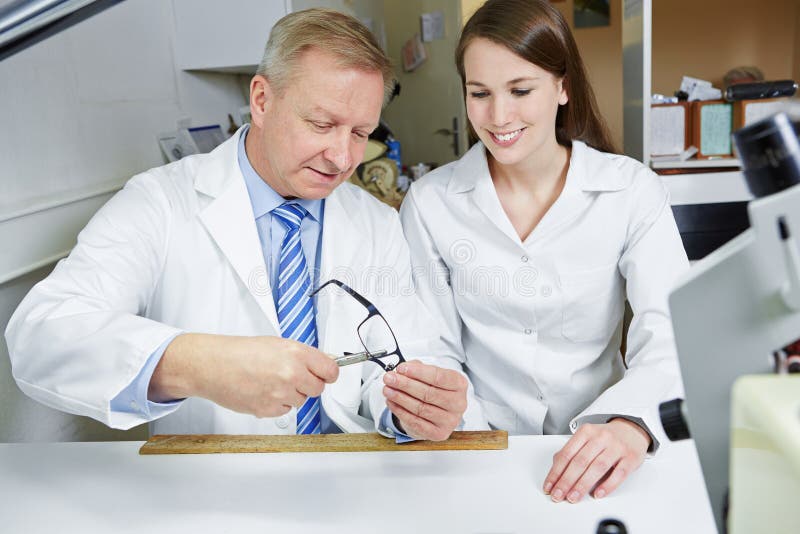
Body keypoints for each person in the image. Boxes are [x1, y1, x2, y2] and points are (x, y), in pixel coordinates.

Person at [5, 9, 475, 442]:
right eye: (320, 123)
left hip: (344, 481)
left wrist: (410, 408)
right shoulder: (161, 202)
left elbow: (398, 357)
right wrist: (196, 365)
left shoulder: (375, 222)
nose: (342, 157)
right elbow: (40, 335)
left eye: (360, 132)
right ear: (262, 99)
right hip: (206, 490)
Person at [399, 0, 689, 502]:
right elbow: (432, 345)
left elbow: (671, 329)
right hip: (473, 450)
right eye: (479, 93)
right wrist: (459, 426)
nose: (498, 116)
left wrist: (631, 424)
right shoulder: (430, 204)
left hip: (603, 451)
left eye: (520, 90)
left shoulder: (630, 191)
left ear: (562, 86)